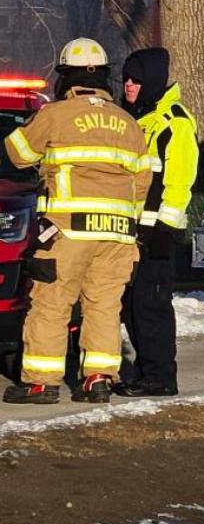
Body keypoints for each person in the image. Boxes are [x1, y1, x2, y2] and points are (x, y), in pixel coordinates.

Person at [2, 39, 153, 403]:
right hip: (118, 236)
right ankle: (97, 379)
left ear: (66, 79)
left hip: (69, 231)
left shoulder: (56, 114)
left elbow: (17, 154)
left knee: (51, 304)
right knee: (103, 307)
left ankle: (41, 383)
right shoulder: (128, 123)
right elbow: (143, 180)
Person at [115, 48, 197, 398]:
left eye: (136, 79)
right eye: (126, 79)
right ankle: (143, 372)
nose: (129, 85)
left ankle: (161, 376)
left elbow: (179, 182)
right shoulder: (135, 119)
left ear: (151, 81)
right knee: (131, 306)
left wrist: (164, 229)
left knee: (151, 306)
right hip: (130, 235)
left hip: (157, 236)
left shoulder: (174, 123)